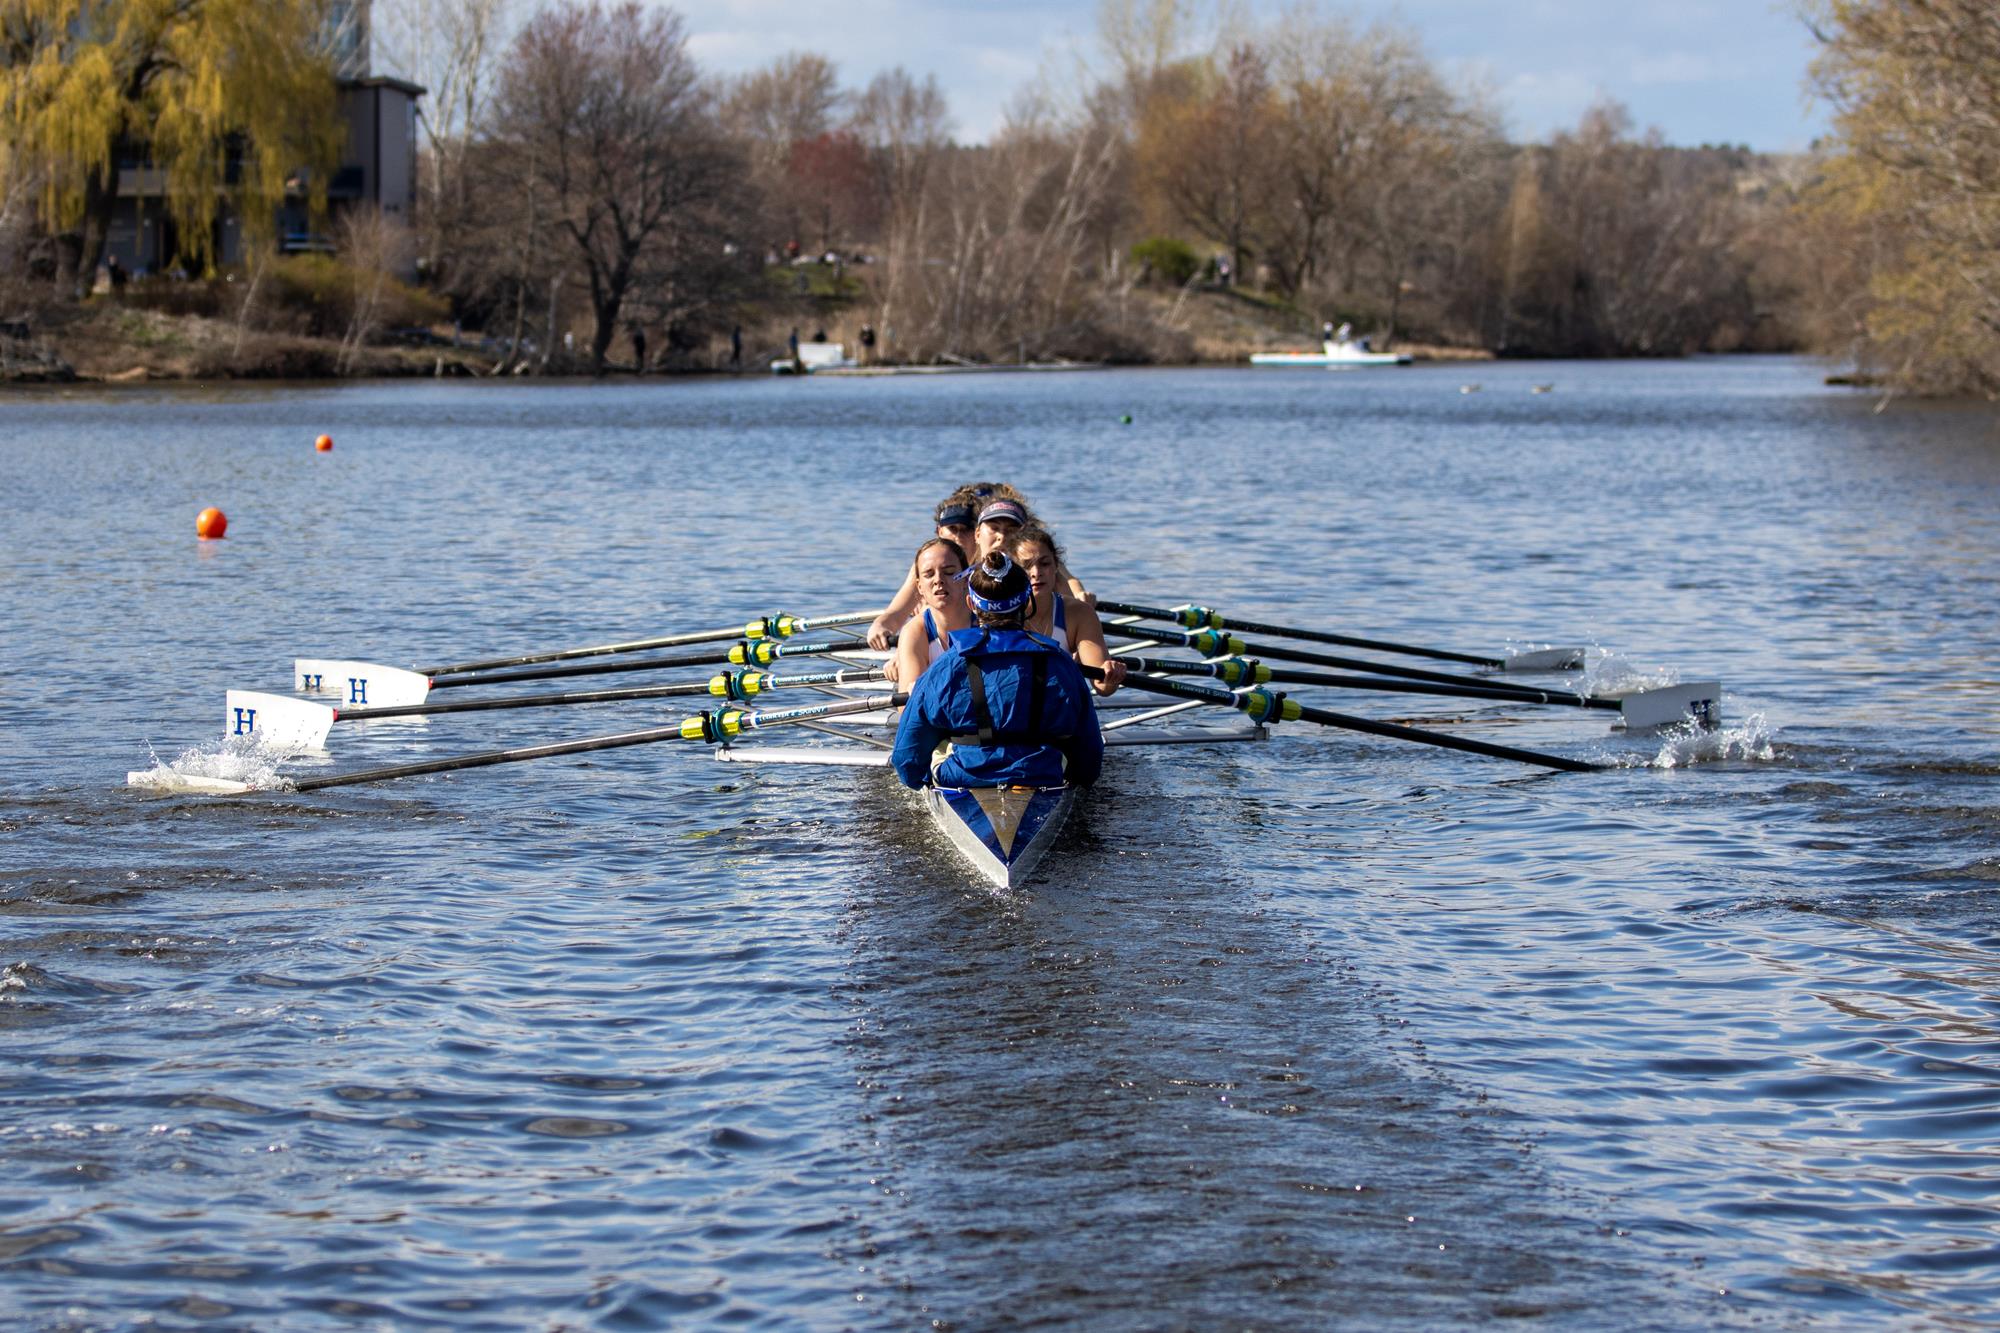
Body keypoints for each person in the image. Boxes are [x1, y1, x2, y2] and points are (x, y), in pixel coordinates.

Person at [891, 552, 1103, 792]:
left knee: (938, 745)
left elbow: (906, 758)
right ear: (1026, 602)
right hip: (1041, 773)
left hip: (963, 775)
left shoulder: (944, 667)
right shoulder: (1061, 663)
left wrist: (921, 783)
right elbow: (1090, 753)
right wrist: (1080, 780)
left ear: (971, 604)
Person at [1009, 524, 1126, 696]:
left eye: (1044, 563)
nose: (1036, 573)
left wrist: (1110, 674)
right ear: (1013, 571)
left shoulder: (1079, 613)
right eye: (1027, 565)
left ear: (1056, 565)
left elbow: (1102, 687)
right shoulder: (1000, 613)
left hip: (1060, 710)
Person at [884, 536, 970, 684]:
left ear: (966, 579)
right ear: (920, 587)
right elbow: (906, 707)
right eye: (929, 575)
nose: (938, 580)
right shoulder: (915, 633)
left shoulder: (985, 622)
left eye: (949, 571)